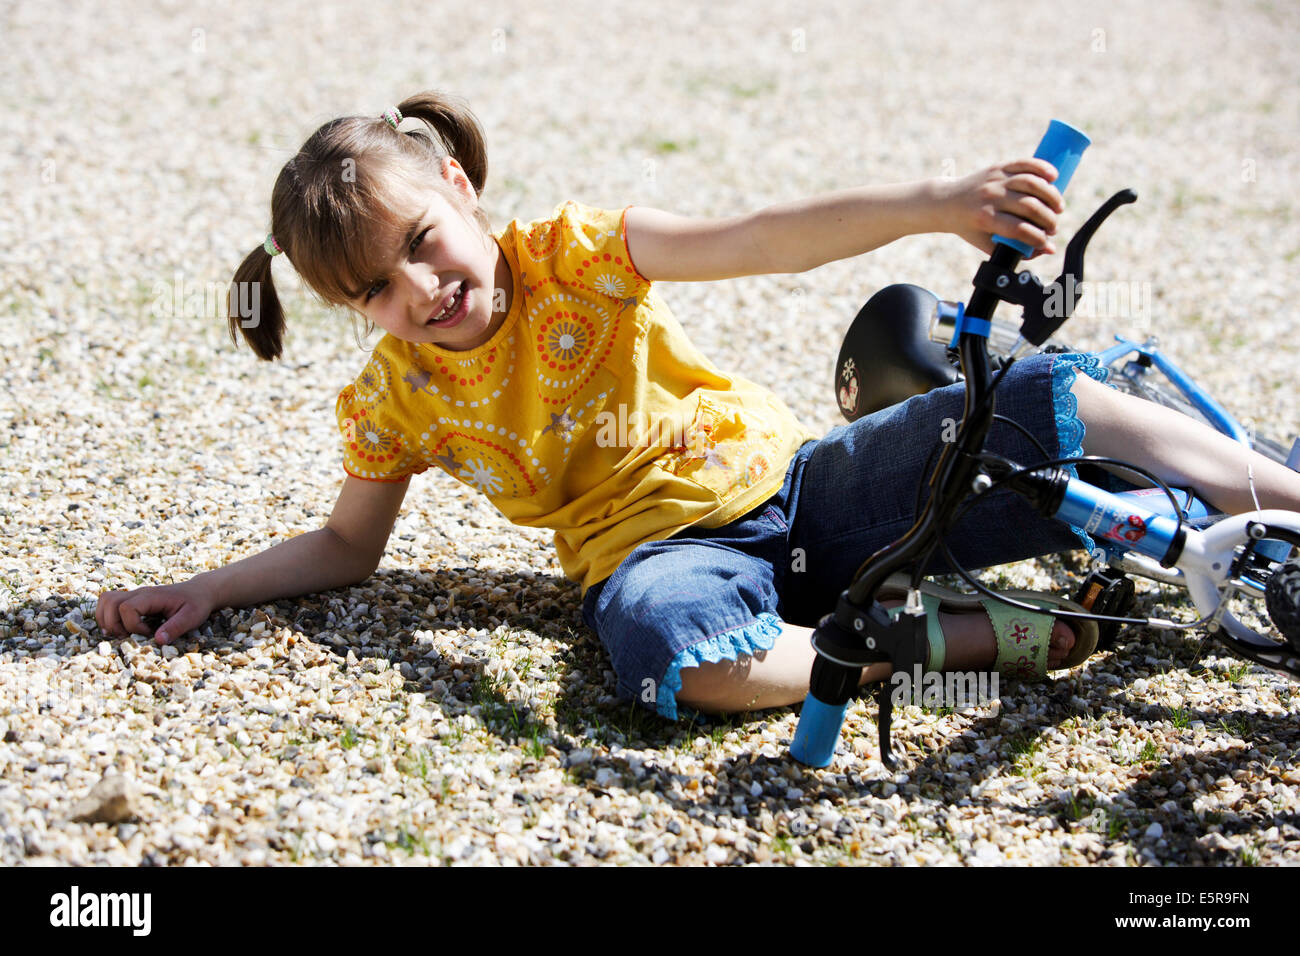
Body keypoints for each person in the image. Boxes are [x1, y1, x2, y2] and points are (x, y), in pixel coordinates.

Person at [96, 91, 1300, 721]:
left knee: (1046, 393)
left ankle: (1282, 494)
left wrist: (939, 199)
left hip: (805, 492)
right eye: (375, 289)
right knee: (659, 654)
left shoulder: (574, 253)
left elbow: (759, 238)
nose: (420, 290)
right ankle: (931, 646)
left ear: (458, 186)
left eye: (421, 241)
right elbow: (348, 544)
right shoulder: (394, 398)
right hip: (663, 562)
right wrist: (206, 585)